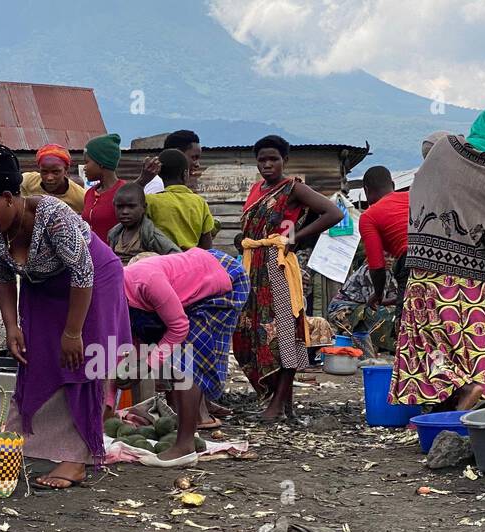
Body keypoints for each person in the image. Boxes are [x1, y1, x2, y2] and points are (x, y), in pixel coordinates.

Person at [0, 143, 131, 490]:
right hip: (40, 286)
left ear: (10, 197)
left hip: (92, 280)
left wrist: (73, 332)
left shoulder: (54, 215)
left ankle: (77, 459)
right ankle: (25, 441)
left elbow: (82, 273)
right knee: (36, 357)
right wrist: (12, 326)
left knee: (80, 361)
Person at [392, 107, 485, 410]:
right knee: (470, 343)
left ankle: (445, 408)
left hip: (420, 269)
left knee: (429, 341)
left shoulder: (443, 148)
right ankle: (471, 389)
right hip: (463, 278)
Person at [232, 134, 343, 420]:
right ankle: (282, 404)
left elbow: (332, 213)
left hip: (278, 268)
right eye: (262, 160)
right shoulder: (257, 189)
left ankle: (277, 405)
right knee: (252, 334)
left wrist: (295, 237)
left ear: (285, 161)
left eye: (273, 159)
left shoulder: (293, 188)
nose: (267, 165)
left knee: (284, 334)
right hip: (252, 267)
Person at [122, 249, 250, 464]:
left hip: (225, 277)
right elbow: (135, 338)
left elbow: (178, 327)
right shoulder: (118, 297)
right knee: (169, 350)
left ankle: (185, 445)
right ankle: (186, 426)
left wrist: (146, 366)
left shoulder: (146, 282)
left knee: (187, 357)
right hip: (198, 275)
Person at [358, 165, 410, 314]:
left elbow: (377, 266)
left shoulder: (369, 216)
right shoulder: (412, 196)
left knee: (406, 323)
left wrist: (378, 294)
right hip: (442, 256)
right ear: (393, 185)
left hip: (410, 260)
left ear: (366, 191)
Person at [145, 150, 216, 251]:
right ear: (185, 174)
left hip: (161, 262)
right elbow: (207, 246)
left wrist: (143, 179)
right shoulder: (199, 202)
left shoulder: (150, 201)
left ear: (159, 175)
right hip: (191, 262)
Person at [108, 182, 181, 264]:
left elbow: (176, 255)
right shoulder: (114, 234)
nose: (125, 212)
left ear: (144, 208)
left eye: (131, 206)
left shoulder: (150, 234)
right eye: (120, 207)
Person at [82, 133, 128, 239]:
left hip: (115, 254)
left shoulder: (123, 192)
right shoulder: (90, 193)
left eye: (87, 162)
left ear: (101, 163)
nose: (84, 168)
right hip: (91, 254)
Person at [21, 144, 87, 214]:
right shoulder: (27, 181)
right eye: (44, 171)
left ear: (66, 170)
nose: (49, 178)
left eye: (56, 172)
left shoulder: (81, 198)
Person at [143, 130, 202, 195]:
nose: (197, 165)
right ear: (177, 154)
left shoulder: (177, 186)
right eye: (194, 157)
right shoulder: (158, 185)